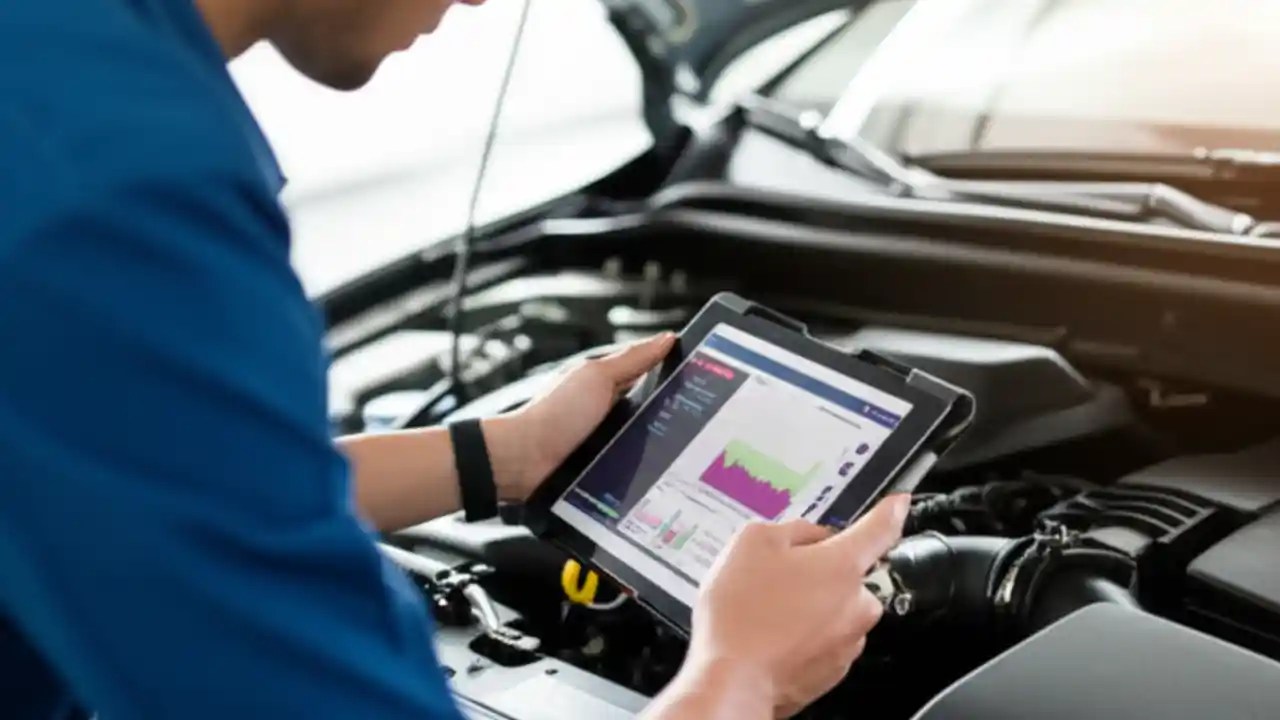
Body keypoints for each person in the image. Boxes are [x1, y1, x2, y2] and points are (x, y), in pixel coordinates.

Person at [0, 1, 909, 718]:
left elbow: (154, 475)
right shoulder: (108, 190)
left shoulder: (55, 70)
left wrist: (507, 456)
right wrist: (741, 680)